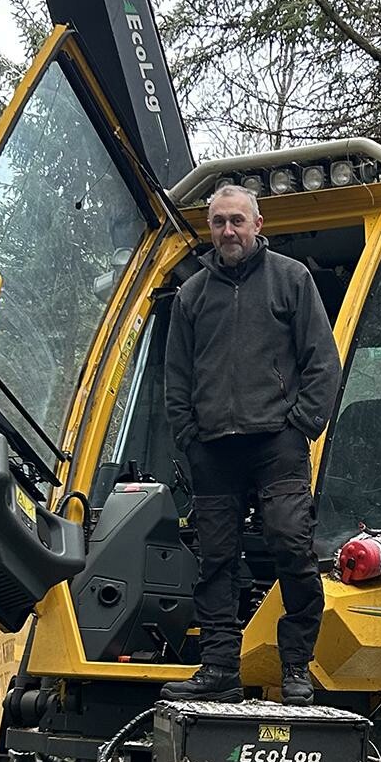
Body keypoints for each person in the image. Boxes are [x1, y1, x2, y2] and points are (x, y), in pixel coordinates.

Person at [161, 184, 342, 705]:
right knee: (215, 559)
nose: (228, 231)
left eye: (237, 220)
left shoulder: (291, 279)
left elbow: (322, 362)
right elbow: (176, 377)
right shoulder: (192, 295)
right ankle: (218, 668)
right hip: (213, 450)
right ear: (210, 228)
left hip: (276, 445)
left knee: (292, 546)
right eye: (219, 222)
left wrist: (302, 425)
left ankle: (296, 668)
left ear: (257, 225)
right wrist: (188, 437)